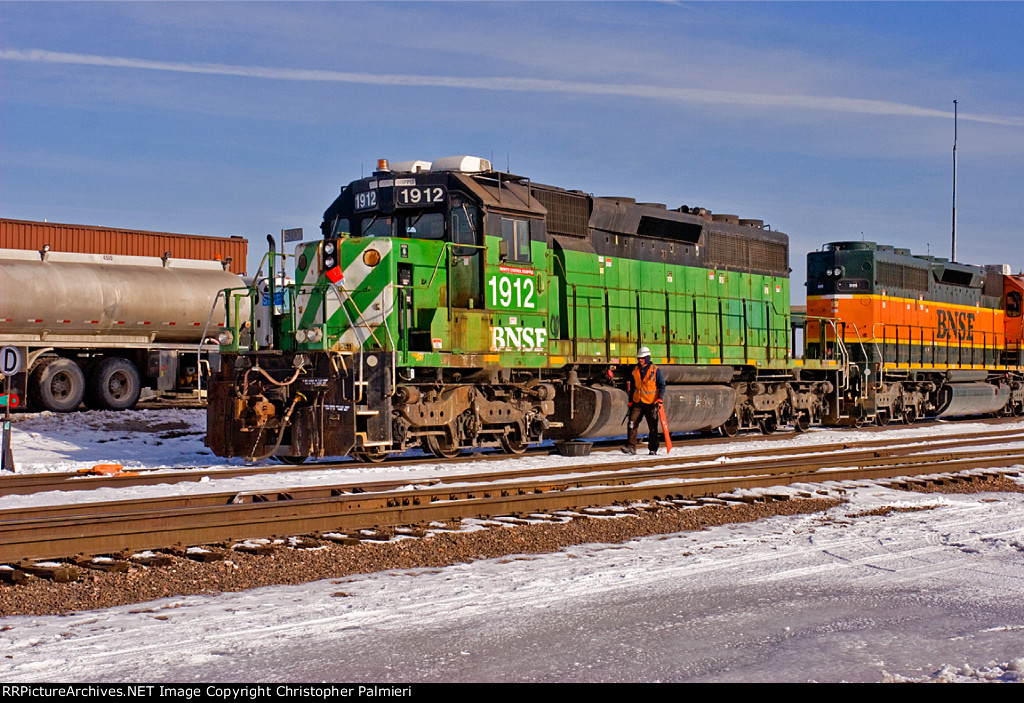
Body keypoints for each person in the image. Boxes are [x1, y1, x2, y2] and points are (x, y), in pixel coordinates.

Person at [622, 346, 666, 455]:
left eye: (642, 358)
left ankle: (653, 449)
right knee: (632, 423)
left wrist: (660, 398)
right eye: (639, 358)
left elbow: (661, 385)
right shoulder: (635, 371)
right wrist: (630, 400)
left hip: (651, 403)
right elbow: (632, 386)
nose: (640, 360)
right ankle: (631, 447)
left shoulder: (655, 370)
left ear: (647, 358)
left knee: (653, 427)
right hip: (638, 402)